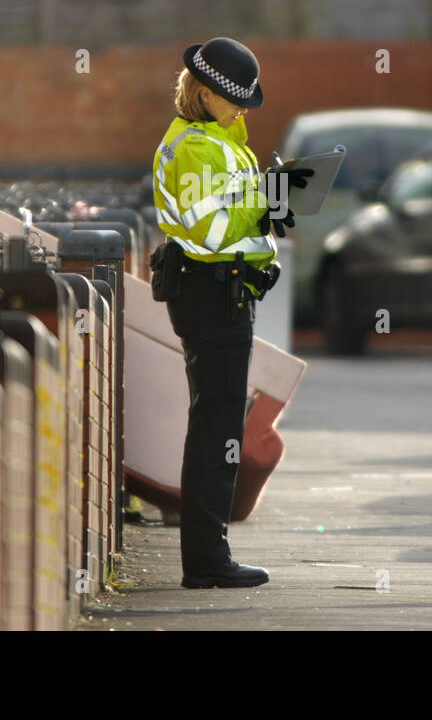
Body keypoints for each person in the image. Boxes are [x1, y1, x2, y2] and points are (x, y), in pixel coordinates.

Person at [151, 37, 309, 589]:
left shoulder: (220, 140)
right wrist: (266, 202)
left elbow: (236, 219)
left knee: (217, 425)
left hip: (220, 294)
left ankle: (208, 556)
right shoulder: (197, 147)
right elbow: (212, 231)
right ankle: (207, 561)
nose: (243, 109)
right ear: (205, 92)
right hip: (211, 296)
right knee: (217, 428)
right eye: (235, 99)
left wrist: (275, 202)